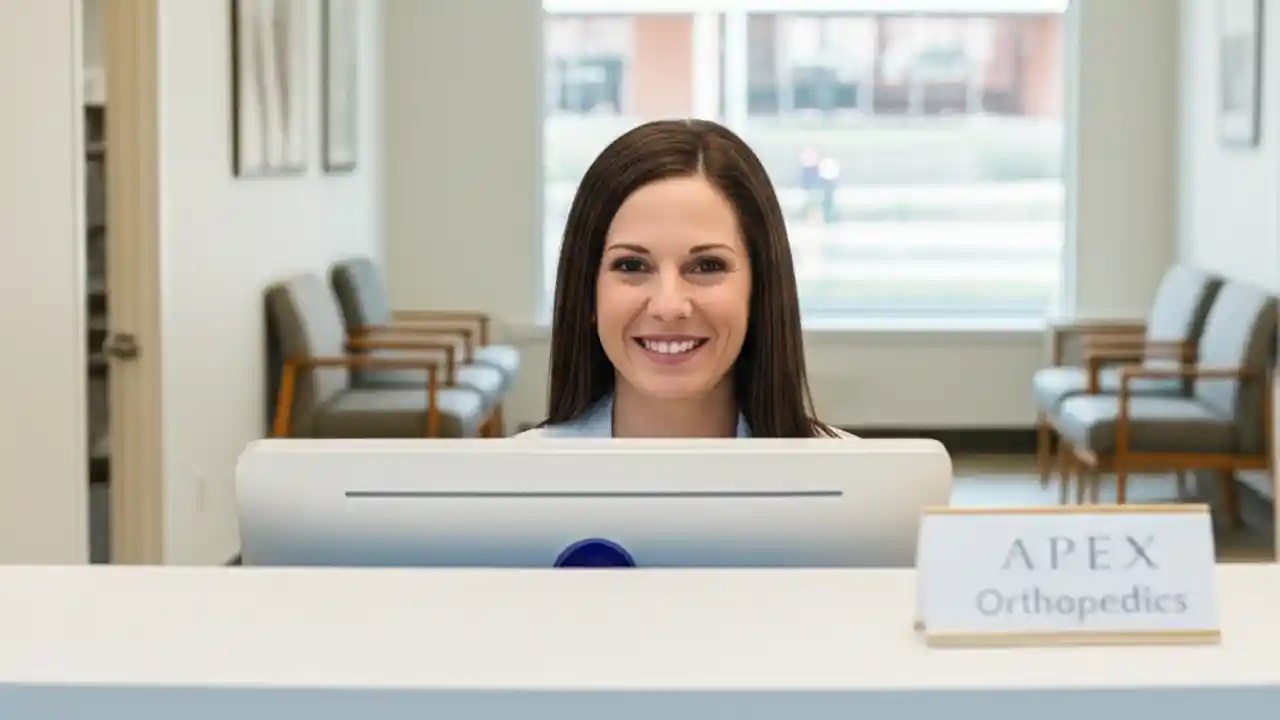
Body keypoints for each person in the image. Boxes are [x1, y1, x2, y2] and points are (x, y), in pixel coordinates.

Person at [520, 119, 853, 439]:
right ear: (587, 292)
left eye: (707, 266)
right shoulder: (507, 486)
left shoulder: (861, 483)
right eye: (632, 266)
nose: (668, 306)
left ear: (759, 289)